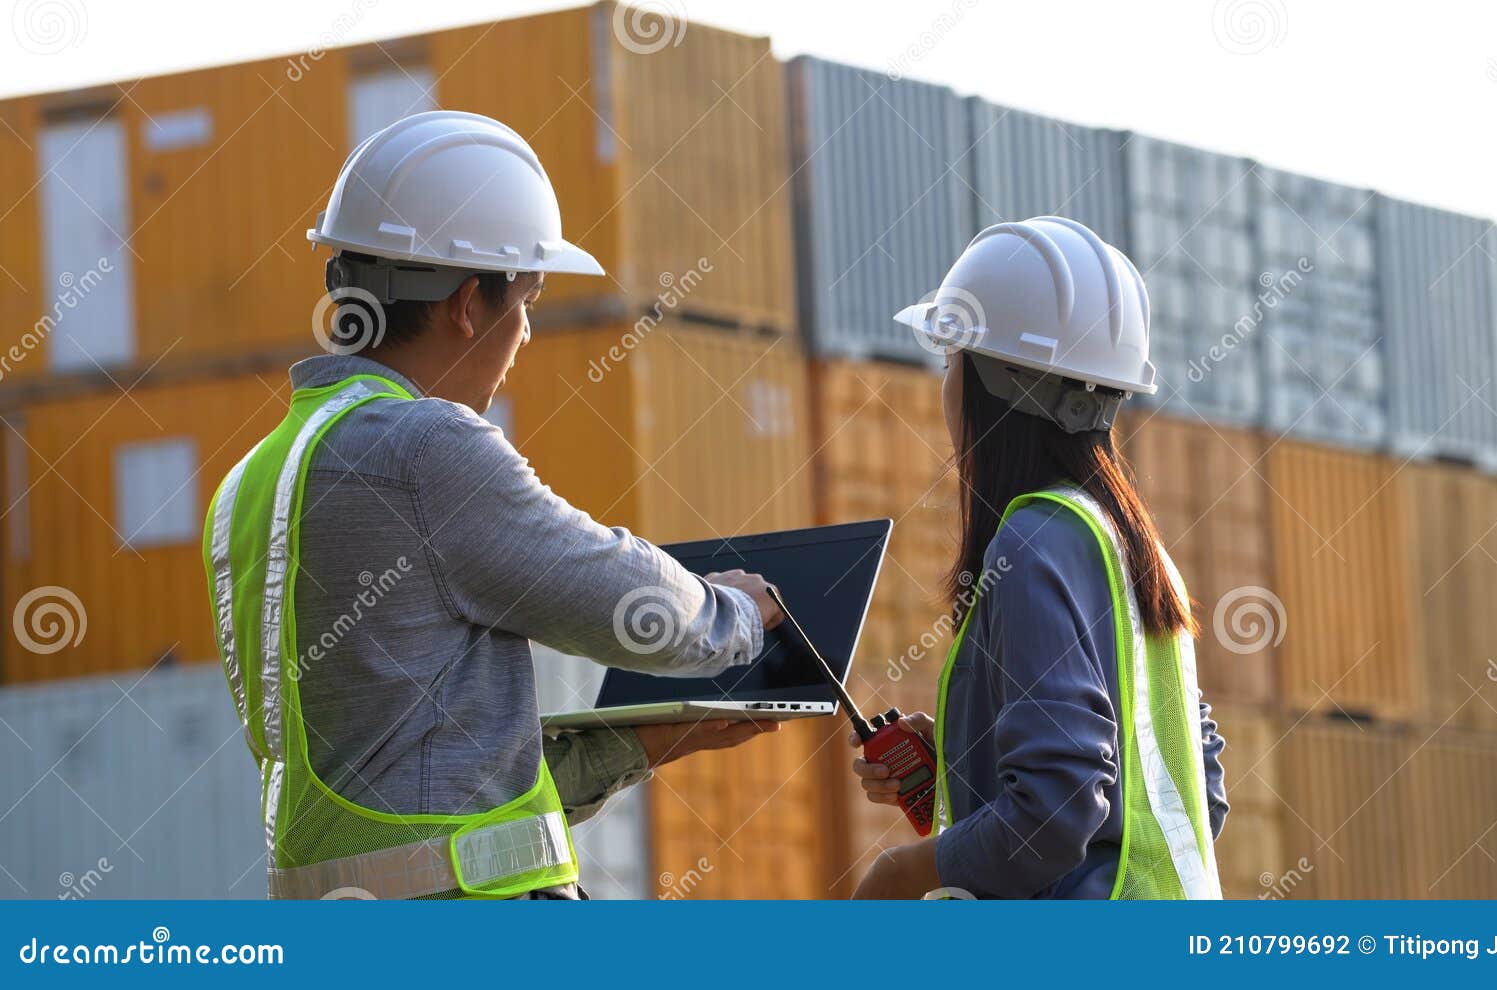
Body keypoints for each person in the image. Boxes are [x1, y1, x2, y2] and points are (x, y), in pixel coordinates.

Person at [202, 111, 782, 900]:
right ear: (471, 304)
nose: (527, 335)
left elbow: (416, 779)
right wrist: (737, 615)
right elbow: (623, 598)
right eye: (529, 301)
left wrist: (645, 741)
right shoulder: (422, 445)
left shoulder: (250, 481)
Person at [849, 216, 1227, 899]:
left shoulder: (1032, 546)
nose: (945, 385)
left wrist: (900, 873)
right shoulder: (1133, 551)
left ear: (991, 383)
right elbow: (1192, 801)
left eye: (950, 360)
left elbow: (1057, 813)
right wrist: (968, 765)